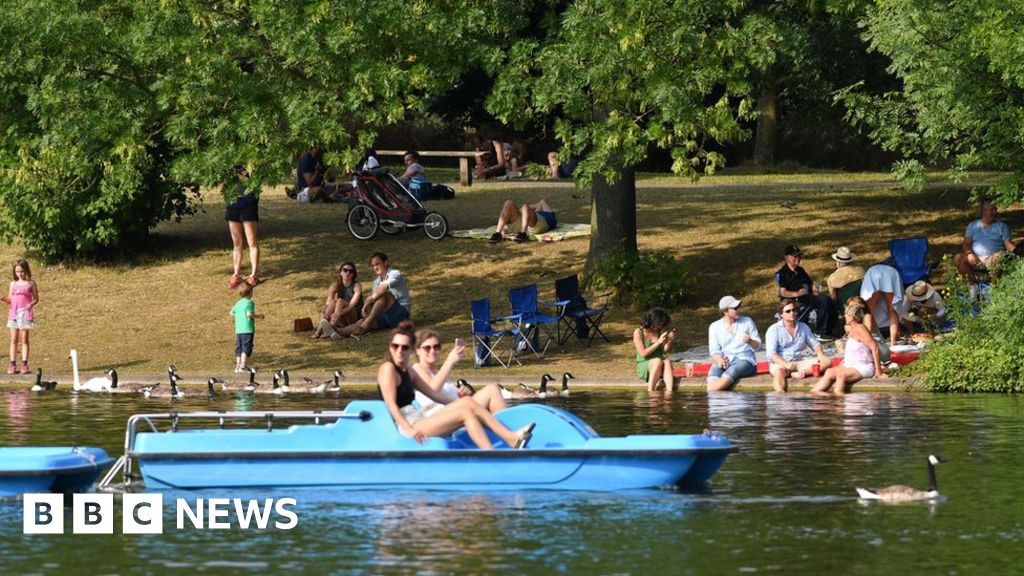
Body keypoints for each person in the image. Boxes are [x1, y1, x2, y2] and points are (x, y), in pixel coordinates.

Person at [377, 322, 534, 449]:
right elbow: (391, 405)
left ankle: (505, 443)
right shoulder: (388, 369)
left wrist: (467, 403)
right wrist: (410, 430)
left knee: (466, 406)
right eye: (395, 346)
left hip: (419, 419)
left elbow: (434, 394)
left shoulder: (409, 371)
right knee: (466, 411)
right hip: (409, 425)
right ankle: (498, 448)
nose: (399, 351)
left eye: (404, 347)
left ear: (410, 349)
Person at [410, 328, 507, 415]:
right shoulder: (418, 369)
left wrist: (463, 395)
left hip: (457, 409)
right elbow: (432, 390)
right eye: (427, 348)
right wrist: (449, 361)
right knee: (492, 390)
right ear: (417, 350)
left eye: (436, 347)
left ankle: (499, 428)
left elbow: (448, 397)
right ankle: (503, 429)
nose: (432, 351)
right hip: (439, 415)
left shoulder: (438, 373)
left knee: (493, 389)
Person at [812, 300, 887, 395]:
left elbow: (874, 348)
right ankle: (820, 396)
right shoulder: (852, 330)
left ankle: (839, 400)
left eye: (846, 314)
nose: (844, 316)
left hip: (863, 367)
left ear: (852, 316)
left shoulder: (861, 329)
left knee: (841, 376)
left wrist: (878, 371)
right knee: (829, 372)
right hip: (850, 365)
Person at [335, 252, 411, 337]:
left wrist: (370, 300)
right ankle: (338, 332)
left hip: (400, 313)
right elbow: (376, 302)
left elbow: (384, 288)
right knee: (363, 320)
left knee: (383, 294)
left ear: (385, 263)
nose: (375, 267)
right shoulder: (376, 282)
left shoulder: (395, 273)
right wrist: (368, 308)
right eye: (373, 265)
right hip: (385, 315)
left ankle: (364, 328)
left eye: (377, 264)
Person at [765, 298, 831, 393]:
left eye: (794, 310)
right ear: (781, 314)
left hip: (799, 362)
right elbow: (771, 354)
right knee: (779, 372)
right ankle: (780, 394)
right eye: (788, 311)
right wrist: (786, 364)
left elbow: (815, 344)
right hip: (781, 363)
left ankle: (801, 373)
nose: (792, 313)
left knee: (826, 363)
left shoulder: (803, 327)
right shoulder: (773, 330)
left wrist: (821, 355)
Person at [776, 245, 835, 339]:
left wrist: (814, 287)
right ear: (786, 258)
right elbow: (782, 292)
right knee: (823, 300)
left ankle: (829, 330)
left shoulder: (801, 270)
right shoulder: (783, 273)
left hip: (808, 297)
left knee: (829, 300)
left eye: (799, 256)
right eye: (795, 256)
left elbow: (809, 284)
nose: (798, 258)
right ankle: (821, 331)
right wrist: (797, 293)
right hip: (795, 300)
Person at [707, 296, 761, 391]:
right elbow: (714, 350)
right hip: (725, 360)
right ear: (725, 311)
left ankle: (717, 397)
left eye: (739, 306)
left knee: (733, 370)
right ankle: (721, 402)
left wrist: (750, 341)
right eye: (735, 308)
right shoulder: (714, 327)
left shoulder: (747, 321)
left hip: (745, 360)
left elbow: (758, 346)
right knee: (713, 371)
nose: (739, 310)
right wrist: (720, 360)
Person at [954, 198, 1016, 280]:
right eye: (992, 210)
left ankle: (993, 289)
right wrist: (969, 253)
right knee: (958, 257)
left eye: (996, 209)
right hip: (976, 259)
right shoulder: (973, 226)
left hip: (993, 259)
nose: (995, 212)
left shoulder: (1002, 226)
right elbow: (966, 243)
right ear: (984, 210)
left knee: (999, 256)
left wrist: (1018, 252)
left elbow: (1008, 245)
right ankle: (972, 287)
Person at [225, 165, 261, 289]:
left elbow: (255, 181)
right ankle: (236, 273)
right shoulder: (227, 165)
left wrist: (244, 172)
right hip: (233, 204)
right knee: (237, 242)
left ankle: (253, 275)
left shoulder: (252, 162)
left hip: (248, 204)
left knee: (252, 242)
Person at [2, 260, 38, 375]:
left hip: (25, 314)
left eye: (21, 271)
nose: (19, 274)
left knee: (25, 339)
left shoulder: (31, 283)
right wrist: (3, 298)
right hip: (13, 314)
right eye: (17, 271)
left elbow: (36, 299)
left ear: (26, 270)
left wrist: (30, 304)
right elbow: (10, 300)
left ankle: (24, 364)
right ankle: (12, 364)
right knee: (13, 339)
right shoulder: (13, 284)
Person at [312, 262, 364, 339]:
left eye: (351, 271)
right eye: (345, 270)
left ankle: (332, 326)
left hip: (354, 317)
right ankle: (319, 331)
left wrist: (339, 313)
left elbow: (351, 306)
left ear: (353, 274)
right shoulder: (335, 285)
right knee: (333, 302)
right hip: (341, 317)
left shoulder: (357, 286)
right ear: (341, 272)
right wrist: (323, 312)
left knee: (339, 300)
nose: (348, 273)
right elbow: (328, 302)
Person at [633, 307, 676, 391]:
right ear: (652, 321)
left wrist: (670, 339)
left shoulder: (659, 331)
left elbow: (664, 350)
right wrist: (658, 343)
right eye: (659, 324)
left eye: (662, 324)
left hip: (658, 364)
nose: (661, 326)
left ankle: (669, 392)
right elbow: (643, 353)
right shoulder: (638, 332)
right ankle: (650, 390)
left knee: (667, 361)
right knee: (657, 360)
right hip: (645, 363)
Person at [860, 263, 903, 346]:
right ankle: (893, 343)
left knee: (869, 311)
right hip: (891, 274)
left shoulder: (871, 271)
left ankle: (867, 342)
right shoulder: (890, 270)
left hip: (874, 274)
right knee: (891, 310)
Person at [489, 198, 558, 243]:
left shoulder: (549, 216)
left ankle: (523, 234)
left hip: (544, 222)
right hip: (530, 221)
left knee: (528, 206)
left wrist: (532, 206)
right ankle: (497, 233)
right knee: (508, 202)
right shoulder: (536, 213)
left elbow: (542, 202)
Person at [230, 282, 264, 372]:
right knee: (246, 347)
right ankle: (243, 365)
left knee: (239, 347)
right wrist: (259, 316)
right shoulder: (250, 302)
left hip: (239, 329)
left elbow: (231, 312)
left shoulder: (238, 303)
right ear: (250, 293)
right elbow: (249, 314)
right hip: (247, 329)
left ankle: (237, 366)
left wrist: (239, 316)